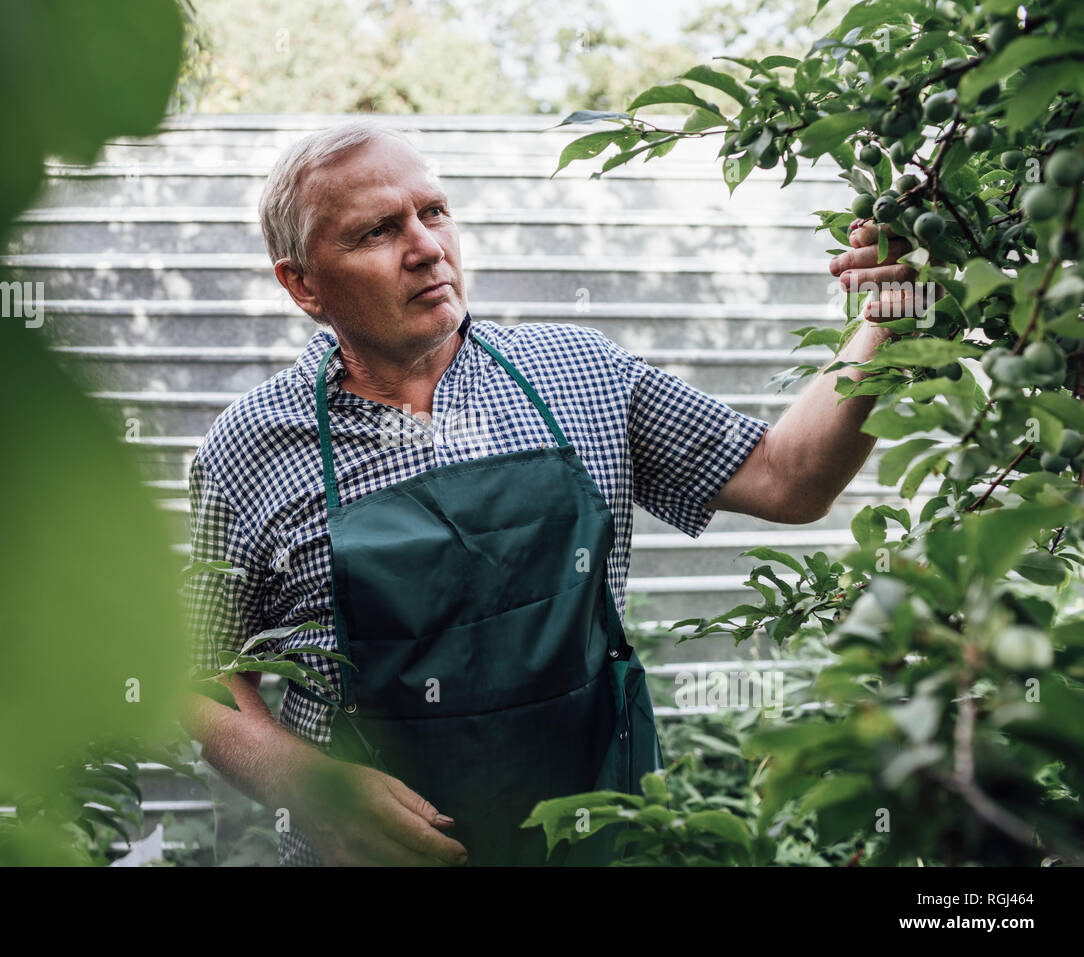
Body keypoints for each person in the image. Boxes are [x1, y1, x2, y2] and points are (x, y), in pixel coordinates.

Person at [181, 120, 914, 866]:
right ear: (302, 283)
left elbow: (792, 477)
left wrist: (887, 320)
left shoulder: (580, 373)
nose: (427, 247)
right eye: (376, 231)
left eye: (432, 211)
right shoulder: (249, 448)